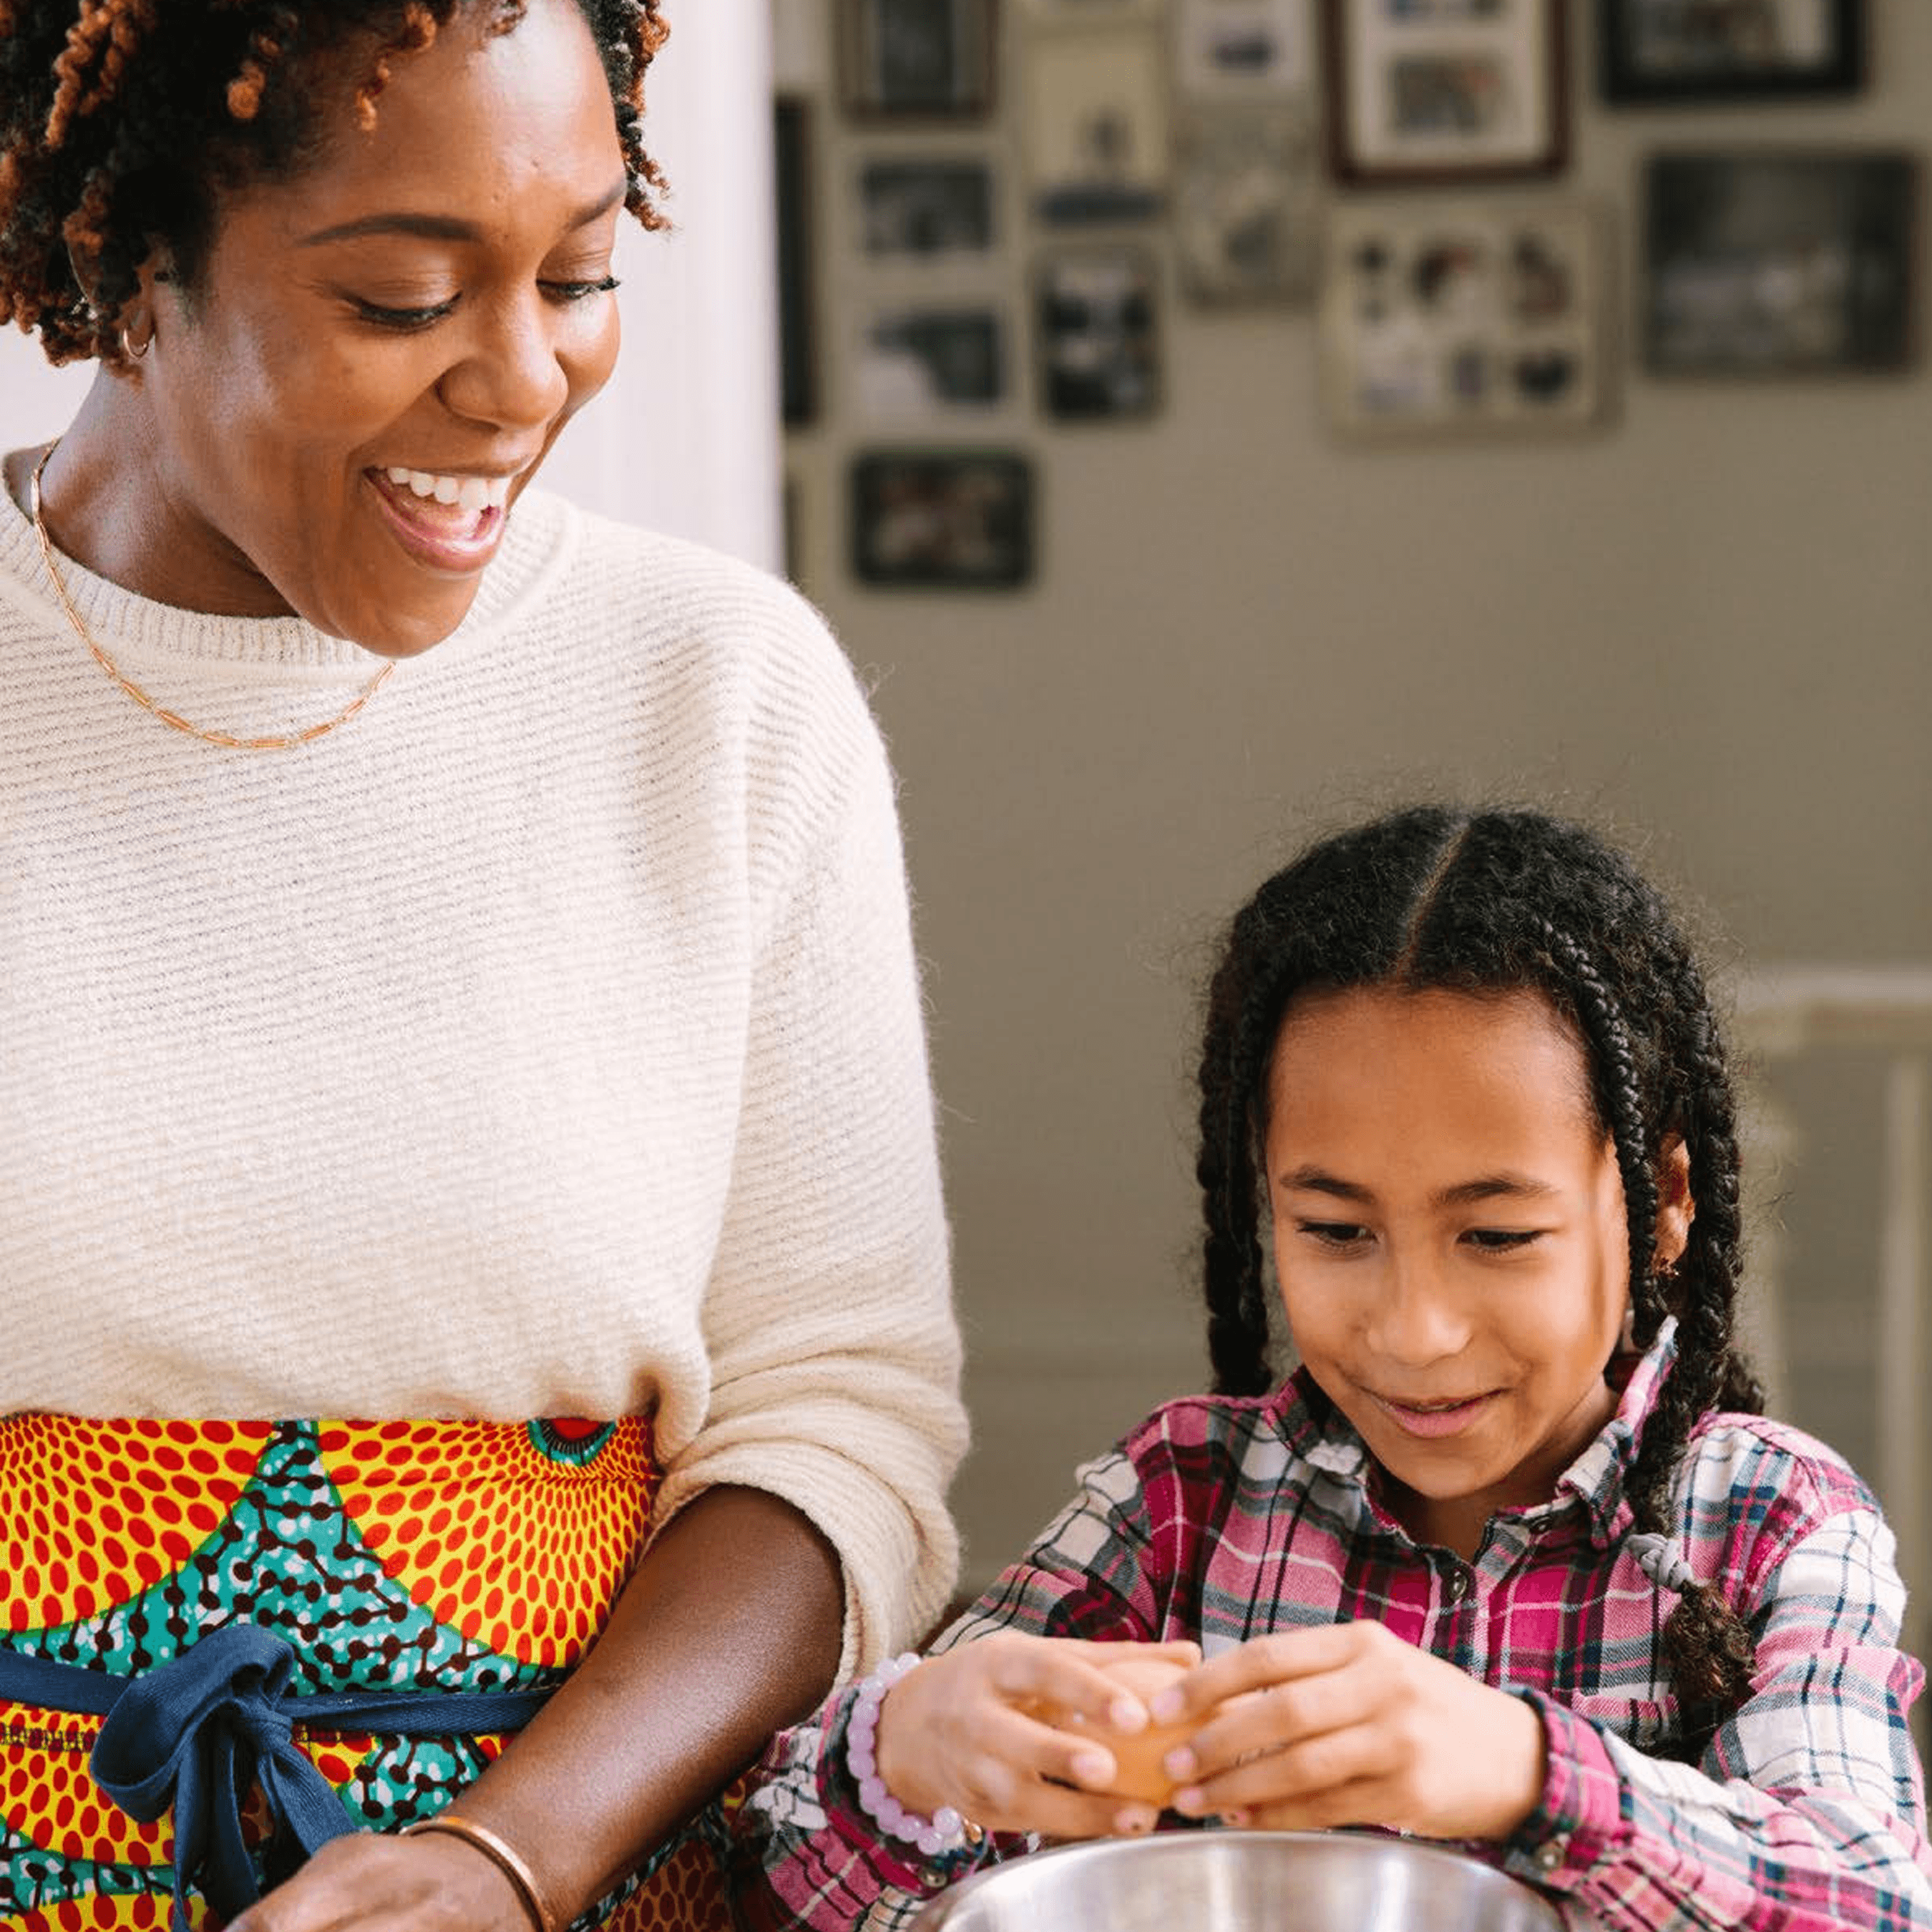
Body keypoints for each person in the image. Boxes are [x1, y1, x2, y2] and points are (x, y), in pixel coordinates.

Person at [0, 5, 965, 1930]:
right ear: (131, 270)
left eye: (584, 274)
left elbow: (838, 1410)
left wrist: (508, 1855)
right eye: (403, 297)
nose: (521, 379)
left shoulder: (716, 701)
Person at [735, 805, 1932, 1931]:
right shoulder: (1182, 1508)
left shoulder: (1771, 1525)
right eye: (1337, 1231)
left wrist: (1526, 1773)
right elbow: (782, 1884)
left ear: (1662, 1203)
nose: (1414, 1331)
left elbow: (1870, 1901)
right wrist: (908, 1753)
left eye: (1499, 1235)